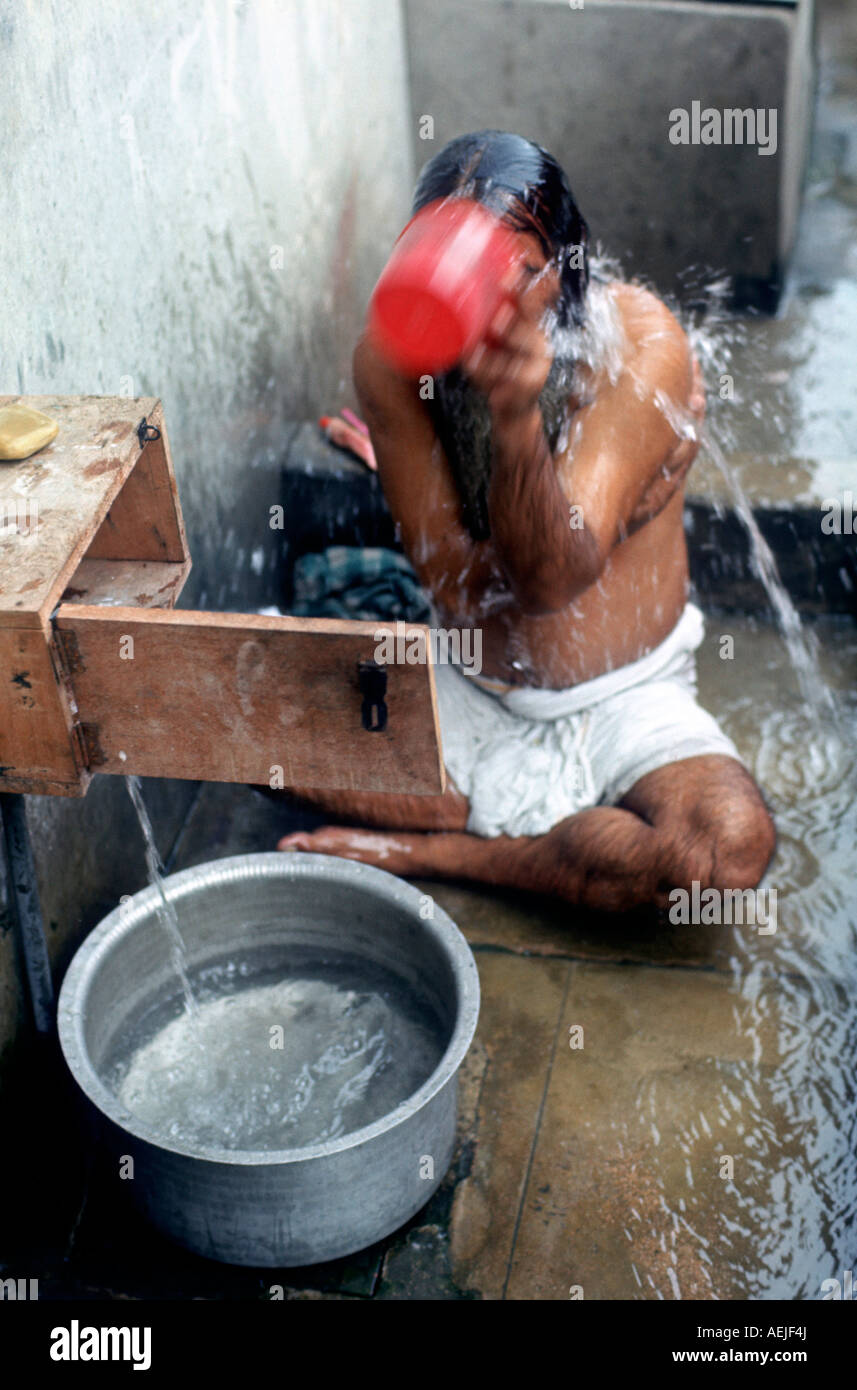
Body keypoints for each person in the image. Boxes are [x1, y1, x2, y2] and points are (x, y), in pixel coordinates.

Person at [278, 130, 775, 913]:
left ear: (565, 267)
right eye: (452, 265)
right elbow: (453, 584)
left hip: (624, 699)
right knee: (212, 715)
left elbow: (547, 584)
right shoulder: (393, 361)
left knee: (719, 858)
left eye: (513, 272)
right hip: (465, 689)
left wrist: (512, 424)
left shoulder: (638, 345)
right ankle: (545, 841)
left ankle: (439, 848)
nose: (485, 300)